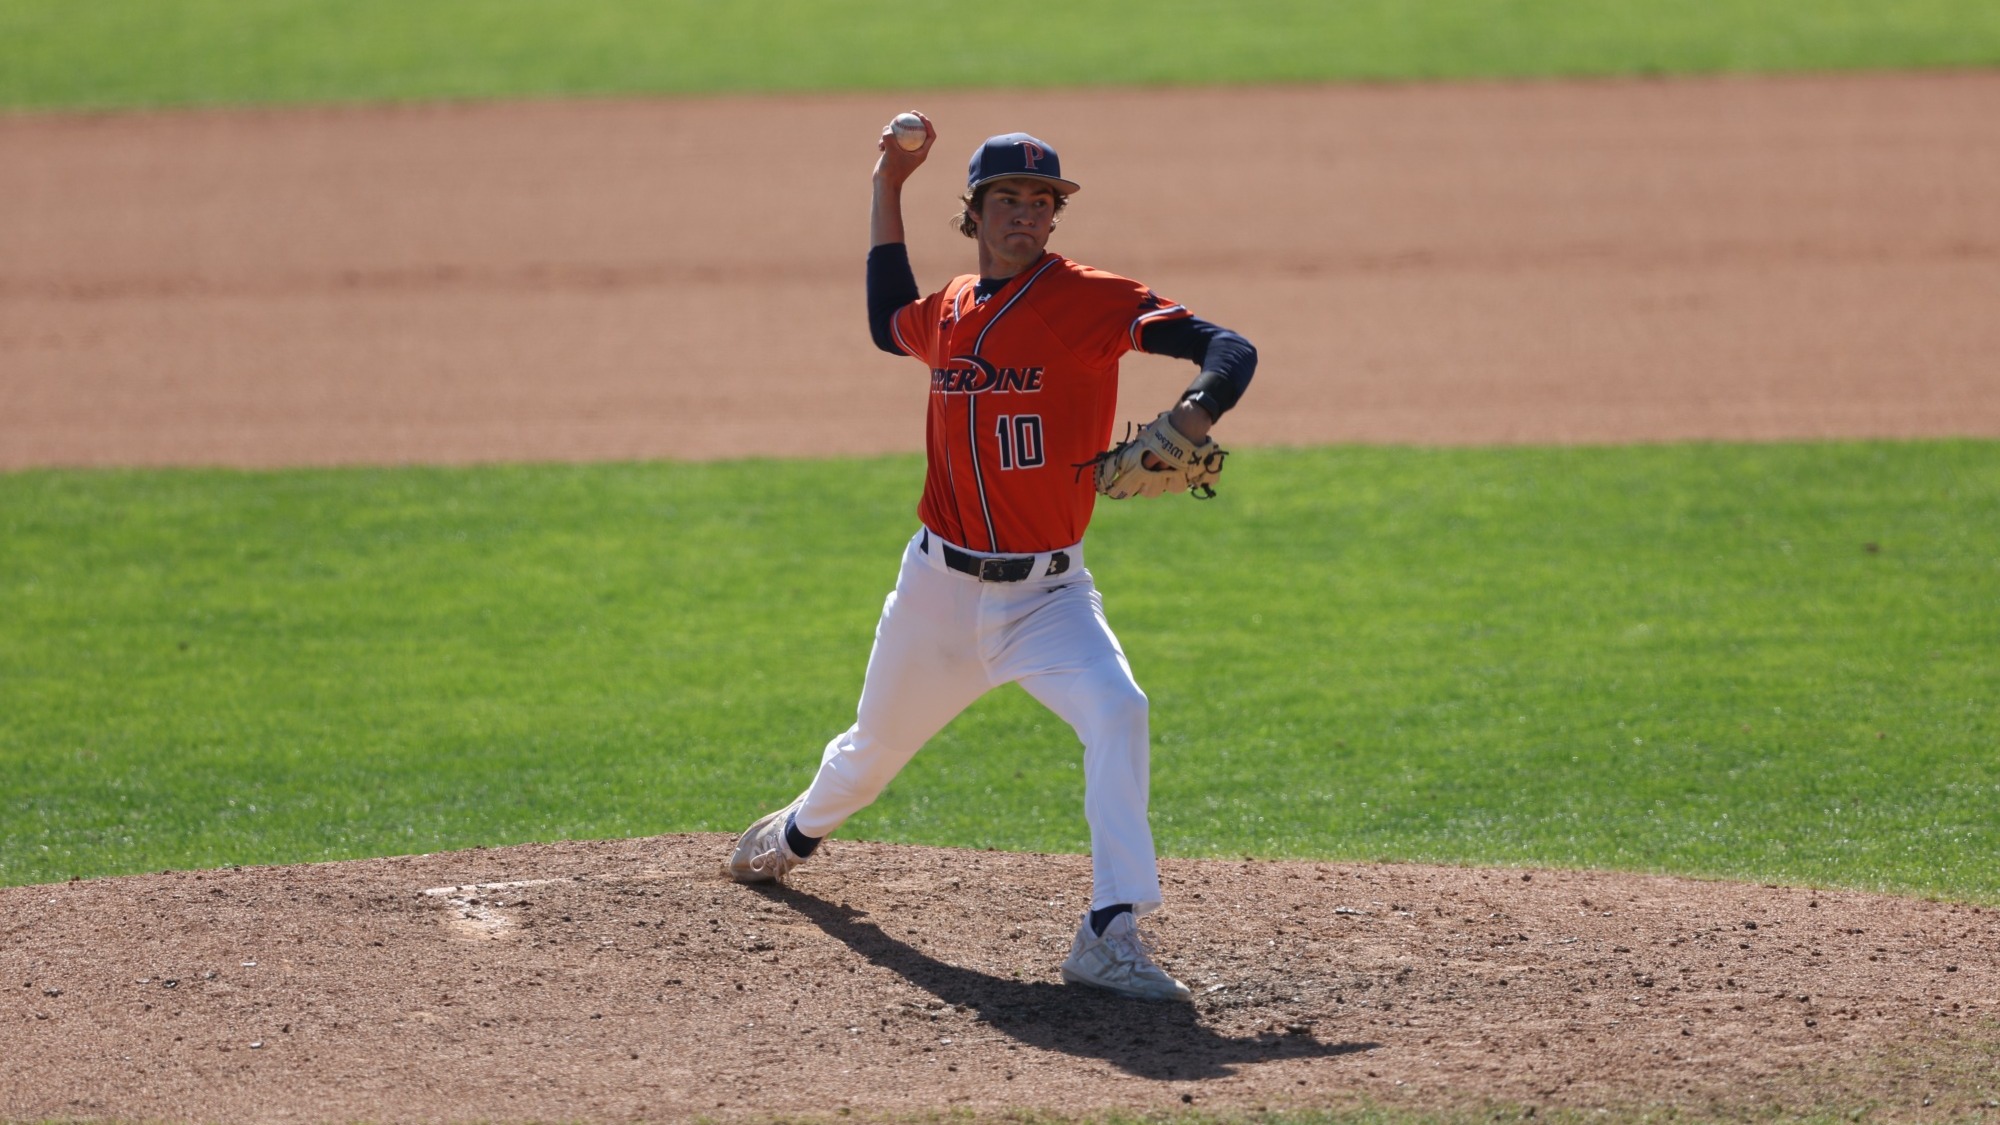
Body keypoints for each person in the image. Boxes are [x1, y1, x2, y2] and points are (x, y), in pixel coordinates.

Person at [725, 114, 1256, 1002]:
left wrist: (1192, 416)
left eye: (1043, 201)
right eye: (1009, 197)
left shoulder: (1092, 299)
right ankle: (796, 833)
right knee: (869, 755)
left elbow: (1228, 349)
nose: (1028, 213)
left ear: (1056, 218)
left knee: (1119, 708)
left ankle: (1108, 929)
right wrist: (887, 184)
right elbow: (883, 319)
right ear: (973, 212)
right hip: (936, 589)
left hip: (1052, 596)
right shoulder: (952, 312)